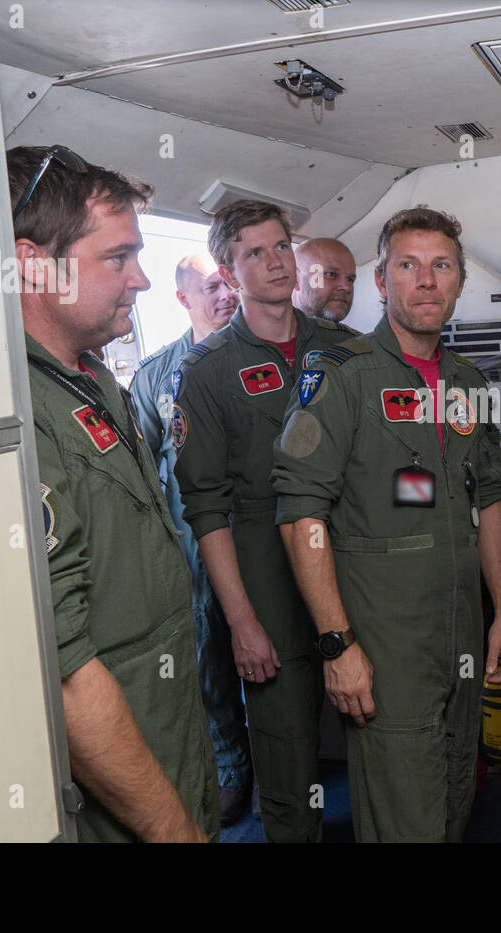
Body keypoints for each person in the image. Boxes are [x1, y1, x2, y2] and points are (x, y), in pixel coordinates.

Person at [273, 206, 501, 842]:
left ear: (460, 282)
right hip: (385, 650)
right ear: (382, 282)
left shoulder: (467, 383)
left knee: (454, 796)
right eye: (408, 266)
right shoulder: (342, 377)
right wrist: (336, 643)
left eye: (442, 267)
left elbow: (488, 498)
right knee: (401, 820)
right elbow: (301, 510)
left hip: (462, 635)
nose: (427, 281)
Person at [8, 144, 218, 842]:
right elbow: (63, 669)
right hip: (122, 803)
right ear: (35, 261)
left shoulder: (96, 381)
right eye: (118, 258)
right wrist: (171, 829)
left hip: (170, 740)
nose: (144, 280)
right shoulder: (17, 410)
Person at [171, 201, 355, 842]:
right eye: (255, 252)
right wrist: (242, 624)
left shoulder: (344, 352)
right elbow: (206, 510)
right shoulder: (208, 372)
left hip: (349, 565)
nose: (275, 262)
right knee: (287, 758)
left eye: (281, 247)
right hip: (265, 586)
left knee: (381, 737)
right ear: (228, 269)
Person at [131, 252, 253, 826]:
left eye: (230, 283)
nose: (226, 294)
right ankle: (230, 766)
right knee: (209, 660)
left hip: (262, 540)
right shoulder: (157, 375)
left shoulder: (265, 359)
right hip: (196, 550)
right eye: (212, 286)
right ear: (183, 298)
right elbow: (140, 471)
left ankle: (285, 771)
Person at [292, 236, 358, 324]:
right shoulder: (268, 333)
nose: (347, 287)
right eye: (331, 274)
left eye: (350, 279)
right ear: (296, 279)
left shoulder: (355, 337)